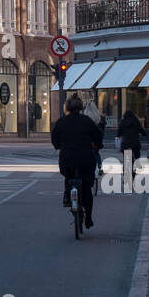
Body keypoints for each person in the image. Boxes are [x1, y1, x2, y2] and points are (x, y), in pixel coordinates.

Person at [51, 95, 101, 225]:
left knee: (68, 176)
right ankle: (88, 217)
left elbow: (55, 138)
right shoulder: (87, 121)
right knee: (86, 187)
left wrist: (58, 146)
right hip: (85, 157)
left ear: (67, 107)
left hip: (67, 157)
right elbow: (97, 136)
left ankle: (67, 196)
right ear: (80, 107)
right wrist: (97, 145)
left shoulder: (61, 122)